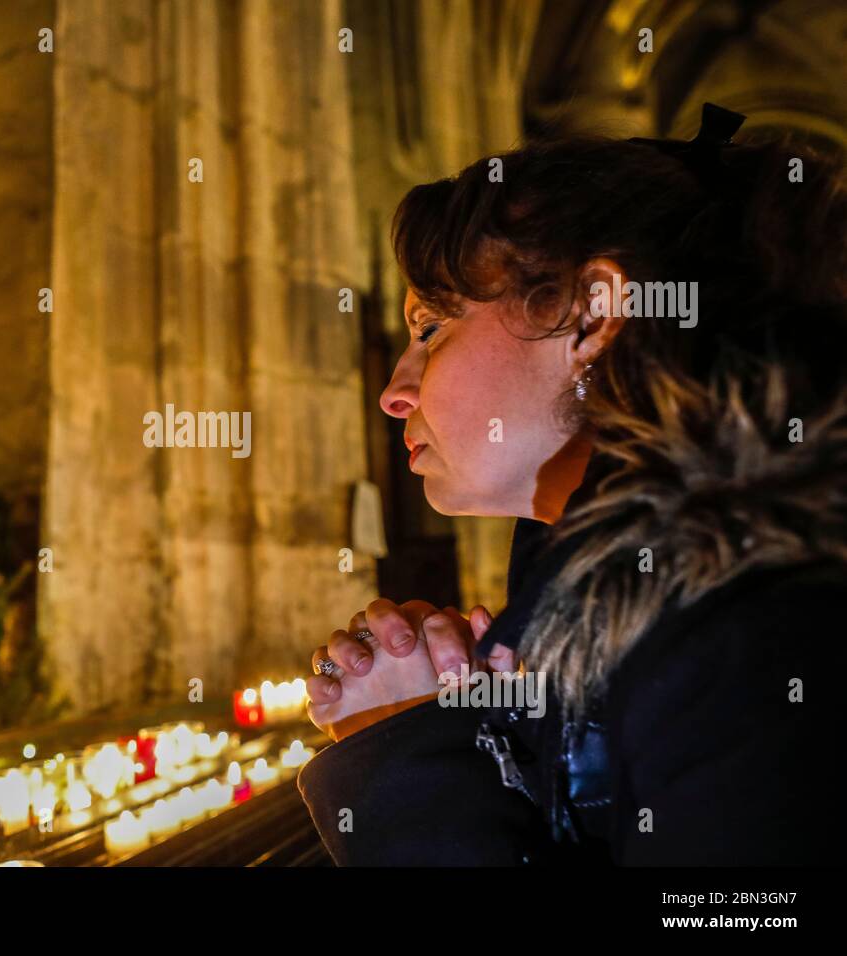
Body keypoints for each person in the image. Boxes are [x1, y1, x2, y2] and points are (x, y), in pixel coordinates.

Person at [297, 105, 847, 865]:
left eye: (430, 329)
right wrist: (467, 725)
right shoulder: (632, 596)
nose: (395, 392)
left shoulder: (753, 637)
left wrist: (409, 761)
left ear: (595, 315)